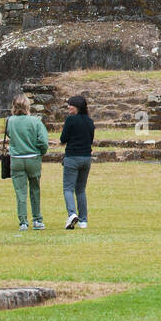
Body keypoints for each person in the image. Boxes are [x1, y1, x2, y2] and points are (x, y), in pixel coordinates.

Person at [5, 93, 49, 231]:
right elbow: (43, 141)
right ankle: (37, 219)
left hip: (17, 159)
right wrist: (40, 152)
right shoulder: (35, 121)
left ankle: (23, 221)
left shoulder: (10, 121)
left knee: (20, 191)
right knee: (35, 189)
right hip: (33, 158)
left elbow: (9, 135)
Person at [60, 95, 95, 230]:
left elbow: (63, 138)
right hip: (86, 158)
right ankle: (83, 220)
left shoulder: (71, 120)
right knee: (80, 190)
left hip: (72, 157)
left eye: (71, 105)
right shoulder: (90, 121)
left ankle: (72, 214)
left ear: (78, 107)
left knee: (68, 188)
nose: (69, 107)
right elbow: (90, 140)